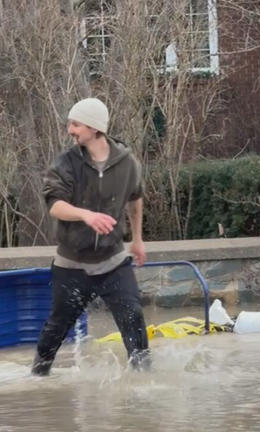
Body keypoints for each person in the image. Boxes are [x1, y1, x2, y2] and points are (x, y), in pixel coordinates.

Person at [32, 97, 150, 376]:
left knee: (133, 316)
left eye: (76, 124)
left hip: (113, 261)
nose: (70, 130)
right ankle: (38, 377)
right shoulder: (65, 163)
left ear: (95, 128)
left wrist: (137, 239)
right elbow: (55, 206)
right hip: (72, 264)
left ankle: (145, 377)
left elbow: (135, 199)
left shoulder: (127, 163)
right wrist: (86, 215)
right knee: (57, 326)